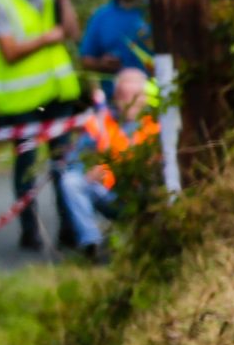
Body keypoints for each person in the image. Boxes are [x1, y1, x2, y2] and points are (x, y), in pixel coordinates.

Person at [0, 0, 82, 251]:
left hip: (56, 95)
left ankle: (70, 226)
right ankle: (30, 230)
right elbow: (9, 50)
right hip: (24, 101)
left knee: (63, 162)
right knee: (26, 166)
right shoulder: (4, 1)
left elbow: (71, 31)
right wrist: (44, 39)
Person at [55, 67, 159, 265]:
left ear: (145, 97)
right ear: (115, 96)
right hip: (110, 196)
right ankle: (92, 245)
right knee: (71, 181)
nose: (128, 102)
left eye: (134, 96)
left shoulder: (156, 124)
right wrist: (88, 172)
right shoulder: (101, 123)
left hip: (145, 196)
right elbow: (74, 162)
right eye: (122, 95)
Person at [76, 0, 152, 107]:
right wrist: (101, 63)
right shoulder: (102, 17)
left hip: (153, 99)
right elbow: (85, 59)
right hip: (116, 103)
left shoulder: (154, 11)